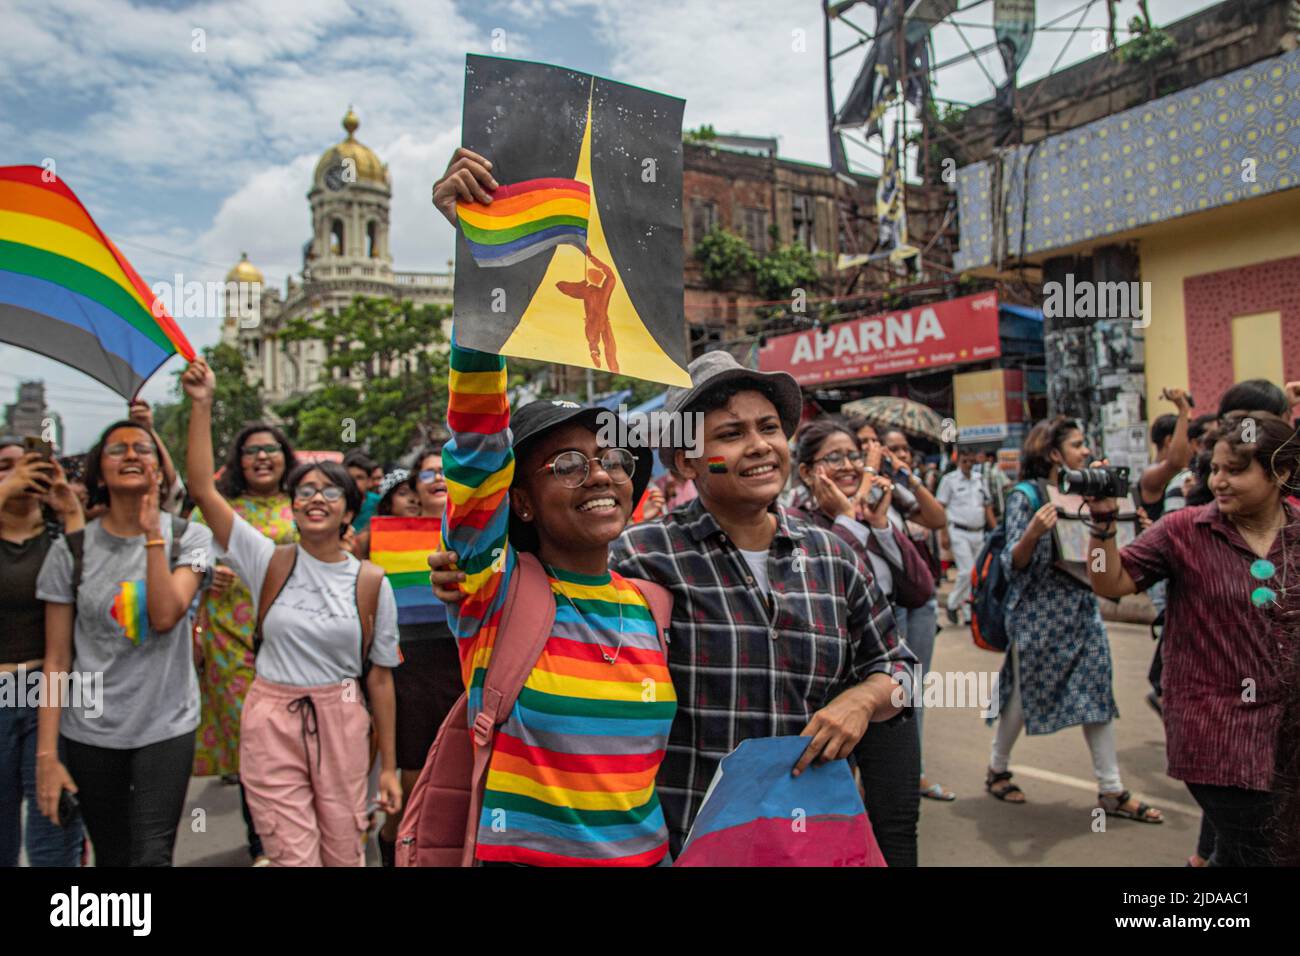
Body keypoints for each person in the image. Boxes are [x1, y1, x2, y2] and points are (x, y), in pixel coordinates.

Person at [430, 146, 676, 866]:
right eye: (566, 462)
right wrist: (482, 265)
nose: (599, 475)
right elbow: (476, 441)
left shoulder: (655, 604)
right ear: (524, 504)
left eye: (610, 458)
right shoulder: (493, 594)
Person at [184, 358, 402, 867]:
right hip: (270, 719)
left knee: (344, 851)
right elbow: (202, 490)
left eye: (330, 491)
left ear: (350, 511)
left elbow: (382, 682)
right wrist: (201, 404)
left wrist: (388, 767)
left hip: (343, 722)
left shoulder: (370, 582)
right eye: (305, 491)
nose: (317, 497)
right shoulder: (267, 560)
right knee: (290, 853)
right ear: (294, 508)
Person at [1091, 410, 1296, 865]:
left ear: (1280, 472)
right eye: (1215, 469)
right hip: (1217, 736)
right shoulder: (1183, 531)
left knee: (1245, 853)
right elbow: (1110, 583)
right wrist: (1103, 524)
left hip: (1289, 738)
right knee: (1263, 849)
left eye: (1236, 470)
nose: (1219, 481)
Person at [34, 421, 213, 866]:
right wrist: (46, 756)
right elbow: (57, 660)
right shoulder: (71, 551)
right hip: (90, 729)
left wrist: (153, 536)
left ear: (160, 470)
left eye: (144, 448)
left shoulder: (189, 537)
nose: (131, 455)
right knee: (111, 856)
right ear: (98, 473)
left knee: (152, 855)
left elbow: (166, 615)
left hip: (165, 725)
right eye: (117, 449)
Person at [985, 416, 1162, 825]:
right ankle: (997, 767)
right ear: (1052, 453)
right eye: (1077, 444)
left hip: (1082, 609)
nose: (1085, 451)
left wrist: (1136, 533)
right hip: (1037, 613)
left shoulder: (1089, 493)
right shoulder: (1026, 496)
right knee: (1021, 699)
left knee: (1097, 696)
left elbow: (1102, 558)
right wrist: (1031, 533)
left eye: (1086, 444)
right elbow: (1012, 564)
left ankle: (1111, 788)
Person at [791, 418, 938, 862]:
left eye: (854, 455)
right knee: (827, 815)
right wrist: (846, 522)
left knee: (896, 819)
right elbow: (831, 588)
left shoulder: (877, 512)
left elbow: (921, 590)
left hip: (886, 678)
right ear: (807, 471)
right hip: (829, 687)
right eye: (834, 458)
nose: (849, 466)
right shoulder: (797, 523)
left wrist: (880, 527)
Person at [190, 421, 299, 867]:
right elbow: (189, 553)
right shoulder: (219, 510)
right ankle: (262, 841)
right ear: (238, 462)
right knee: (255, 743)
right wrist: (203, 573)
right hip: (232, 642)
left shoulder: (303, 502)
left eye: (271, 449)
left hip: (295, 642)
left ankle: (300, 832)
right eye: (252, 451)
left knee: (294, 742)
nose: (262, 457)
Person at [0, 438, 85, 867]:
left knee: (55, 824)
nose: (21, 475)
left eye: (31, 465)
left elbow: (91, 584)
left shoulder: (58, 535)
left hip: (54, 691)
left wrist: (70, 509)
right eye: (6, 466)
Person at [879, 427, 953, 801]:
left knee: (915, 689)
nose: (899, 454)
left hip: (919, 601)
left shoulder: (904, 490)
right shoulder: (870, 491)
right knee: (889, 691)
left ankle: (915, 772)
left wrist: (905, 477)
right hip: (886, 606)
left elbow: (937, 518)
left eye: (904, 449)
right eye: (890, 448)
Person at [936, 447, 994, 626]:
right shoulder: (949, 481)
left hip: (978, 532)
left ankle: (969, 614)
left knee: (976, 575)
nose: (968, 465)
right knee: (966, 572)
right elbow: (940, 508)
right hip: (958, 531)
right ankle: (953, 603)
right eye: (964, 461)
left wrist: (996, 530)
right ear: (958, 461)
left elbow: (987, 507)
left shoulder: (979, 480)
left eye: (971, 461)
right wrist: (943, 533)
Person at [556, 246, 619, 373]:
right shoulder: (604, 290)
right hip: (604, 321)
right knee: (610, 350)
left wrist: (580, 285)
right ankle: (612, 368)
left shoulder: (586, 291)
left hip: (593, 322)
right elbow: (610, 274)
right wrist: (591, 257)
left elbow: (562, 286)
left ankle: (595, 351)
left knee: (594, 341)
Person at [1136, 389, 1192, 525]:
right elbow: (1176, 462)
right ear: (1169, 441)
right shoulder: (1150, 475)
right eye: (1187, 439)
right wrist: (1183, 410)